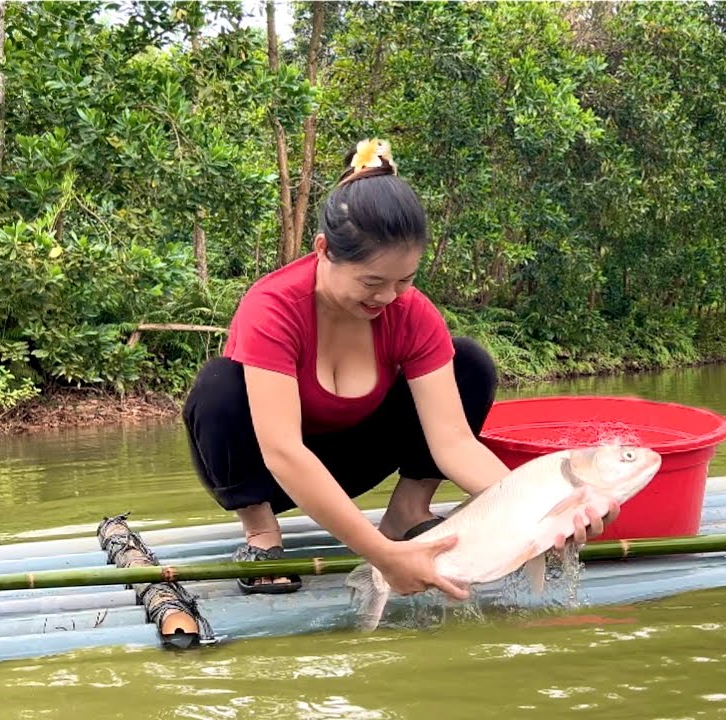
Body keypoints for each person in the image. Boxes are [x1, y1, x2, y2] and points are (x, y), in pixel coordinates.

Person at [182, 139, 618, 598]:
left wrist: (549, 510)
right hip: (272, 473)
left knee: (468, 361)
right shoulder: (273, 308)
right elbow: (284, 452)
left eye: (404, 281)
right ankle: (261, 535)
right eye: (372, 282)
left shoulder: (411, 313)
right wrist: (382, 557)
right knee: (219, 386)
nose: (388, 297)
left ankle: (408, 513)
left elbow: (452, 441)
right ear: (324, 249)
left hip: (353, 463)